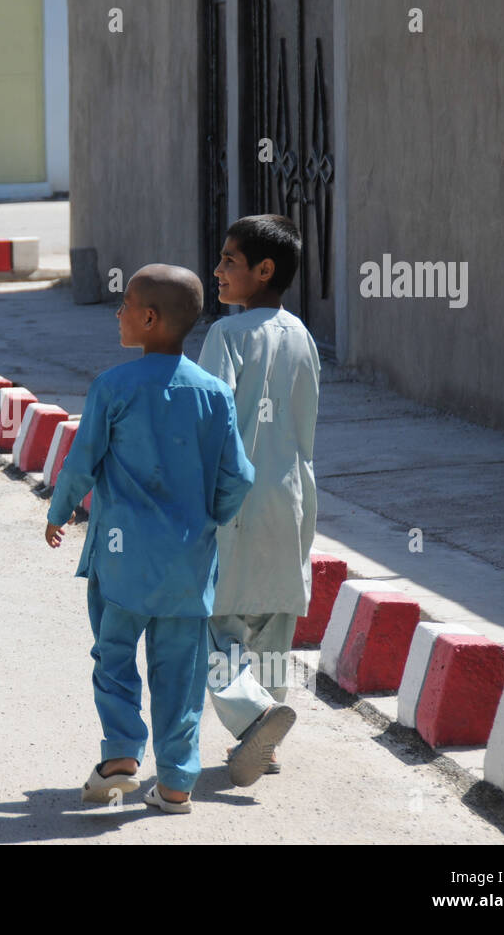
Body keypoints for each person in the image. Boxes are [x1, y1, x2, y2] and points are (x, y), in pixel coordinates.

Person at [45, 264, 255, 813]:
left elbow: (81, 463)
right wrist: (209, 518)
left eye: (125, 305)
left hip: (121, 560)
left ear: (149, 318)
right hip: (188, 564)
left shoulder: (113, 387)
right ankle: (177, 783)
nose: (118, 313)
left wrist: (60, 511)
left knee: (113, 653)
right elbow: (240, 476)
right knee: (181, 675)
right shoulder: (214, 393)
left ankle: (119, 754)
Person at [199, 214, 319, 788]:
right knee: (273, 624)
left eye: (229, 261)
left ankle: (254, 720)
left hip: (235, 501)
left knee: (218, 622)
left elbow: (207, 419)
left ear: (263, 270)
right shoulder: (302, 335)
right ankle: (265, 748)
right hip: (292, 499)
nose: (217, 271)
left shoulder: (226, 335)